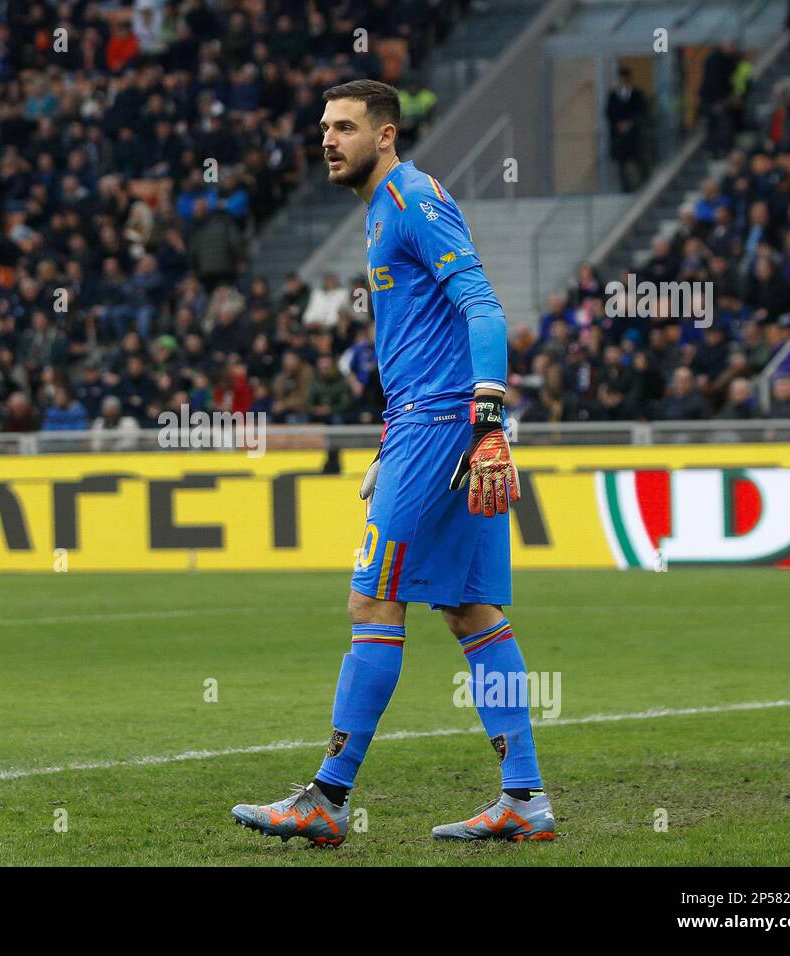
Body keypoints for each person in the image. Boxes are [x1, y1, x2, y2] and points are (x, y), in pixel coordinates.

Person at [231, 80, 551, 847]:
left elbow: (483, 304)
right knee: (471, 611)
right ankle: (524, 798)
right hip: (422, 426)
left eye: (343, 126)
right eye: (322, 127)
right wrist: (390, 439)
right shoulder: (383, 212)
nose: (327, 139)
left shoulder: (410, 199)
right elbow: (423, 336)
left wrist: (485, 421)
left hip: (443, 427)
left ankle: (329, 798)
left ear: (385, 135)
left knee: (373, 601)